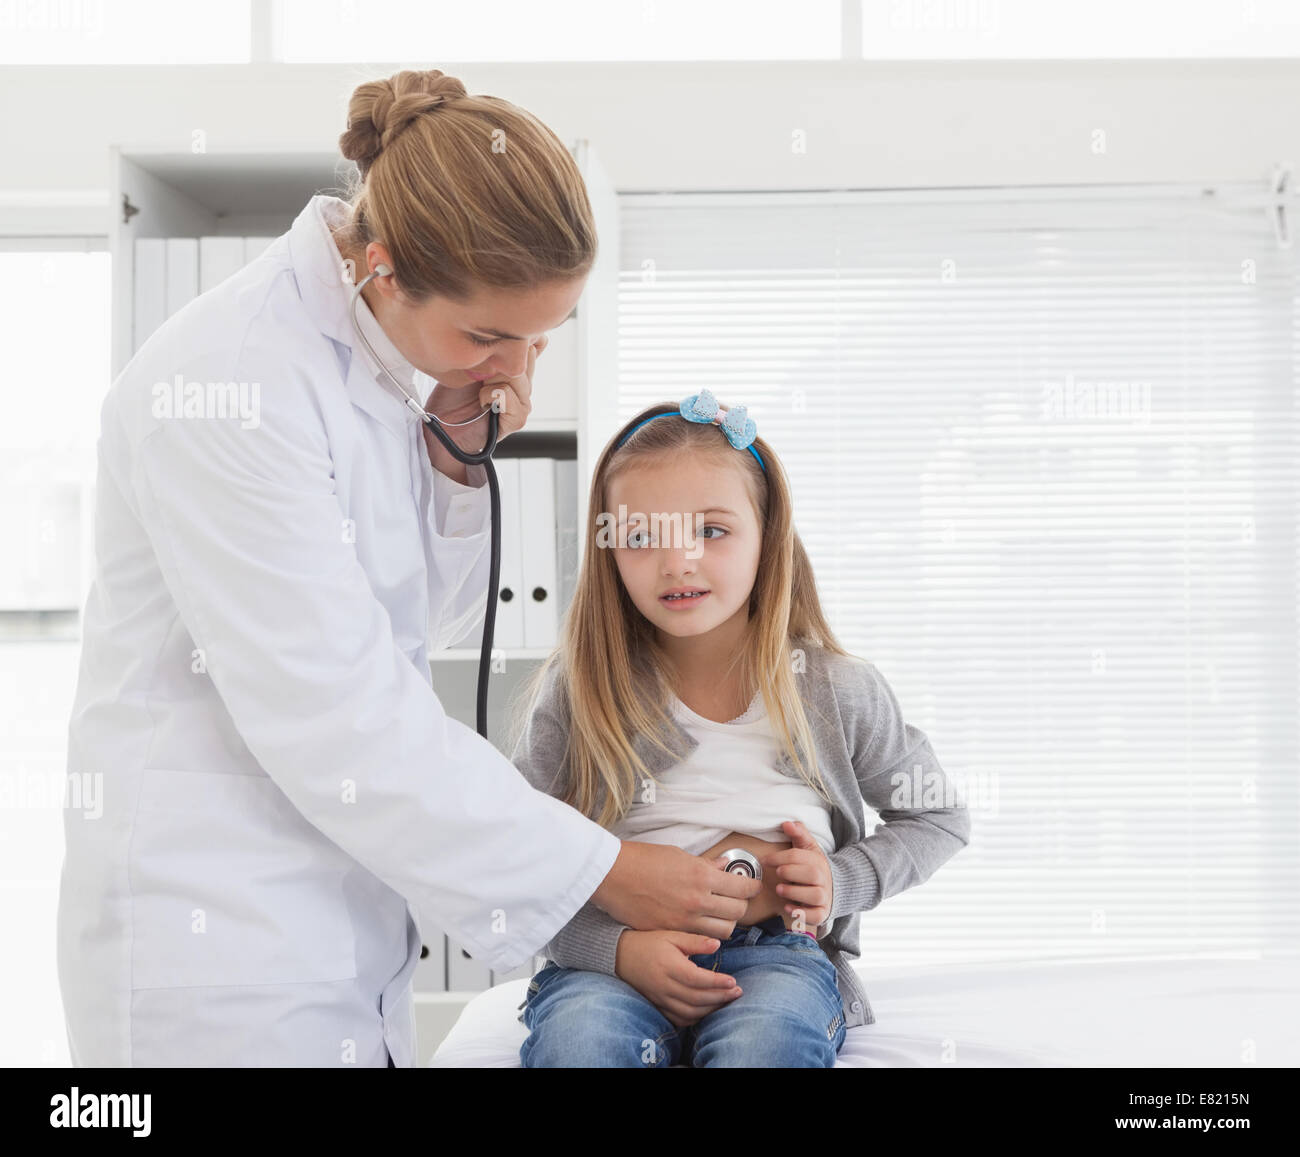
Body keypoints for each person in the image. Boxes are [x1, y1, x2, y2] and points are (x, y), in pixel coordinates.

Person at [55, 68, 758, 1068]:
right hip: (215, 939)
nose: (516, 369)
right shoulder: (229, 384)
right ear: (380, 265)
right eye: (489, 336)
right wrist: (604, 868)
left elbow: (416, 628)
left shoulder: (388, 367)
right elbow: (344, 720)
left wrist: (453, 464)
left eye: (537, 339)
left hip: (334, 928)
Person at [511, 389, 972, 1066]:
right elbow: (520, 857)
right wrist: (615, 950)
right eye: (641, 537)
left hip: (777, 955)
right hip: (615, 957)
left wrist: (840, 880)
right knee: (580, 1042)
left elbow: (939, 817)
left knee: (765, 1044)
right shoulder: (582, 691)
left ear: (769, 535)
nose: (678, 562)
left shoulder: (833, 688)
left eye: (712, 530)